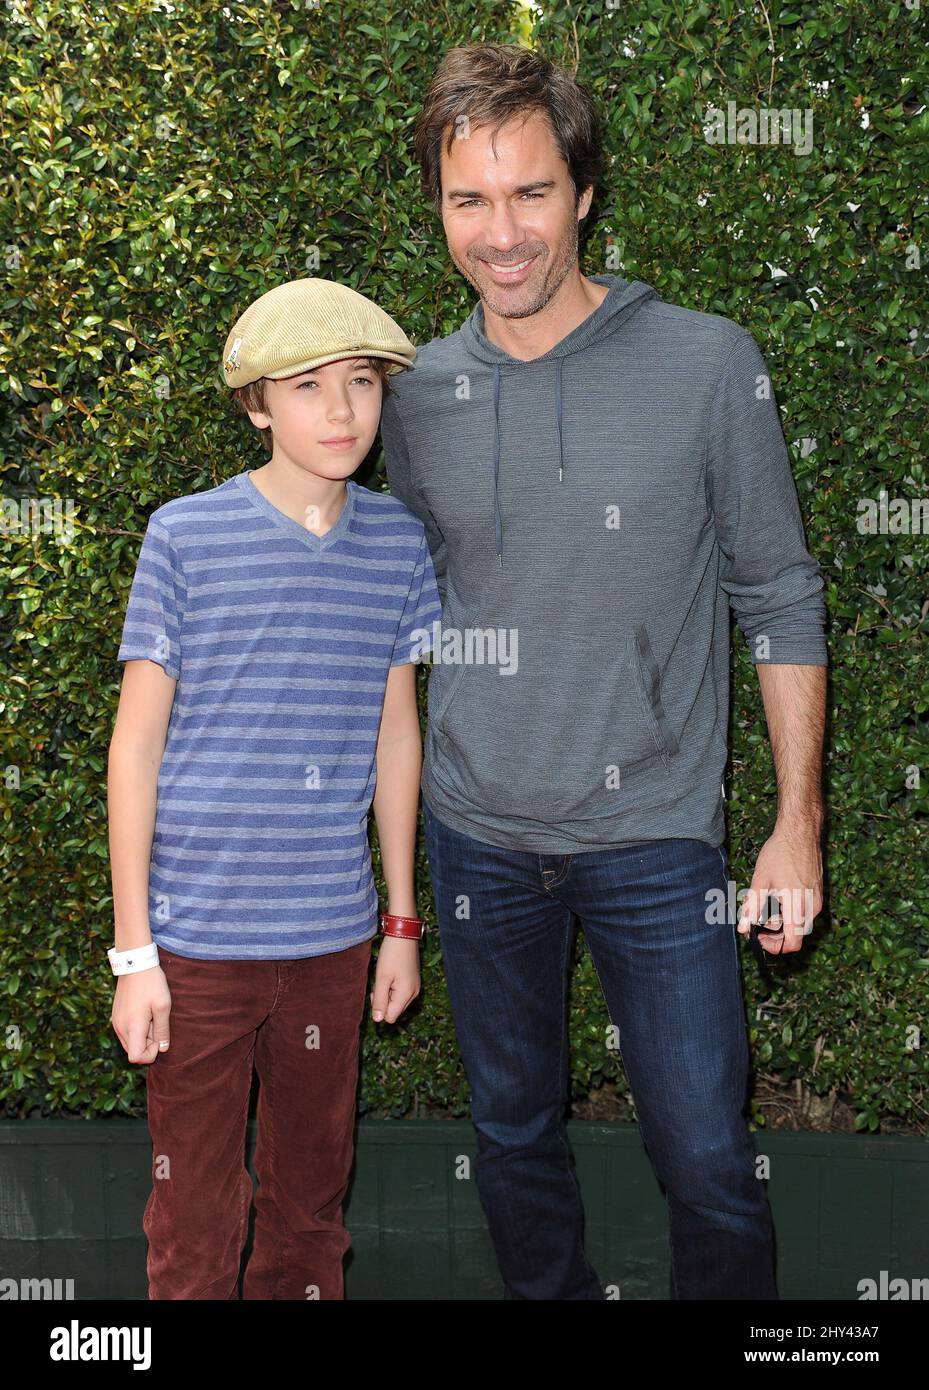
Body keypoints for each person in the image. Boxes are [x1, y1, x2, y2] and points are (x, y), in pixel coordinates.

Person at [381, 43, 828, 1300]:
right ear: (438, 209)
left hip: (656, 839)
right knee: (512, 1143)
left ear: (583, 190)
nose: (501, 233)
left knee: (705, 1156)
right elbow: (402, 611)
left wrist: (795, 829)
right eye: (468, 200)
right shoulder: (410, 395)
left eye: (528, 192)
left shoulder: (701, 361)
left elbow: (780, 593)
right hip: (477, 839)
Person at [107, 278, 443, 1300]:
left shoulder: (396, 543)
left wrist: (398, 923)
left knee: (309, 1210)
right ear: (255, 404)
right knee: (194, 1218)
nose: (341, 411)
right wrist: (136, 954)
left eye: (361, 383)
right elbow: (133, 749)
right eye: (306, 386)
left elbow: (396, 735)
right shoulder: (185, 537)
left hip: (333, 945)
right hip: (196, 946)